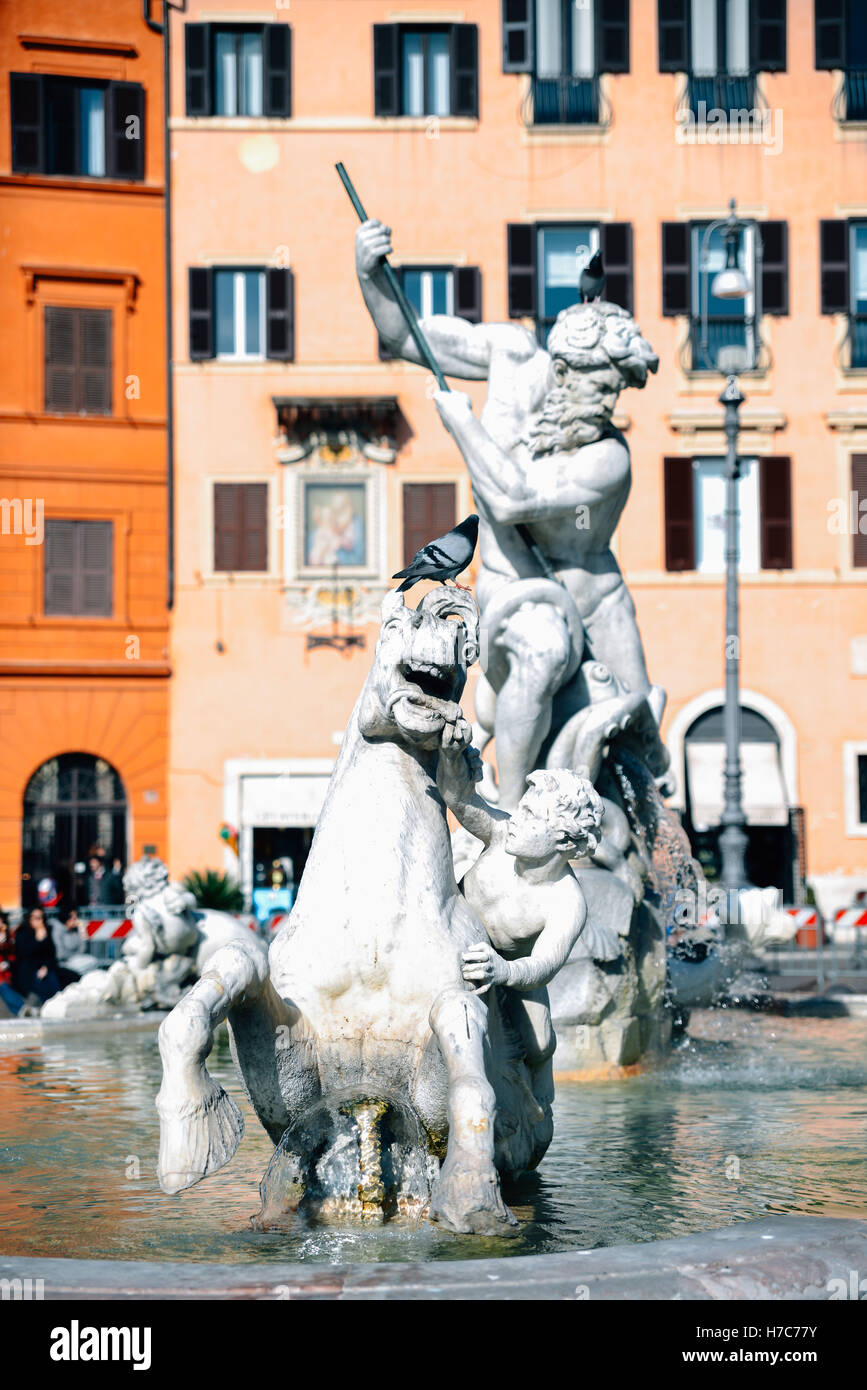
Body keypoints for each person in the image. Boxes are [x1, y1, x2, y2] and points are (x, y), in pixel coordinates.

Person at [356, 217, 661, 809]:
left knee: (643, 744)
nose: (609, 405)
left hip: (593, 595)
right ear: (566, 370)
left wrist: (462, 422)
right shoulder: (509, 357)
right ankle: (519, 822)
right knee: (542, 652)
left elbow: (512, 497)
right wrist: (370, 273)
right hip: (514, 581)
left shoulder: (606, 457)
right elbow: (407, 336)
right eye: (603, 388)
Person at [436, 729, 604, 1108]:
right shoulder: (501, 835)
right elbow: (460, 799)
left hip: (512, 965)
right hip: (455, 932)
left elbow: (543, 966)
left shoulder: (566, 902)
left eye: (530, 815)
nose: (516, 819)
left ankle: (538, 1105)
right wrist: (453, 761)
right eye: (522, 808)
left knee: (539, 1041)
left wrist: (504, 971)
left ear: (563, 841)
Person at [13, 907, 77, 1004]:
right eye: (37, 918)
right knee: (39, 980)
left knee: (54, 977)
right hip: (28, 969)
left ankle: (57, 1002)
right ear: (30, 919)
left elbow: (51, 953)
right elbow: (24, 953)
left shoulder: (47, 931)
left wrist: (45, 967)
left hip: (45, 967)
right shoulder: (22, 932)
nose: (40, 921)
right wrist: (38, 940)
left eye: (42, 918)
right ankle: (47, 1004)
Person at [0, 911, 28, 1017]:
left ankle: (20, 1010)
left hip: (6, 972)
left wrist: (6, 943)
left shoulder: (7, 935)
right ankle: (22, 1008)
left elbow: (13, 955)